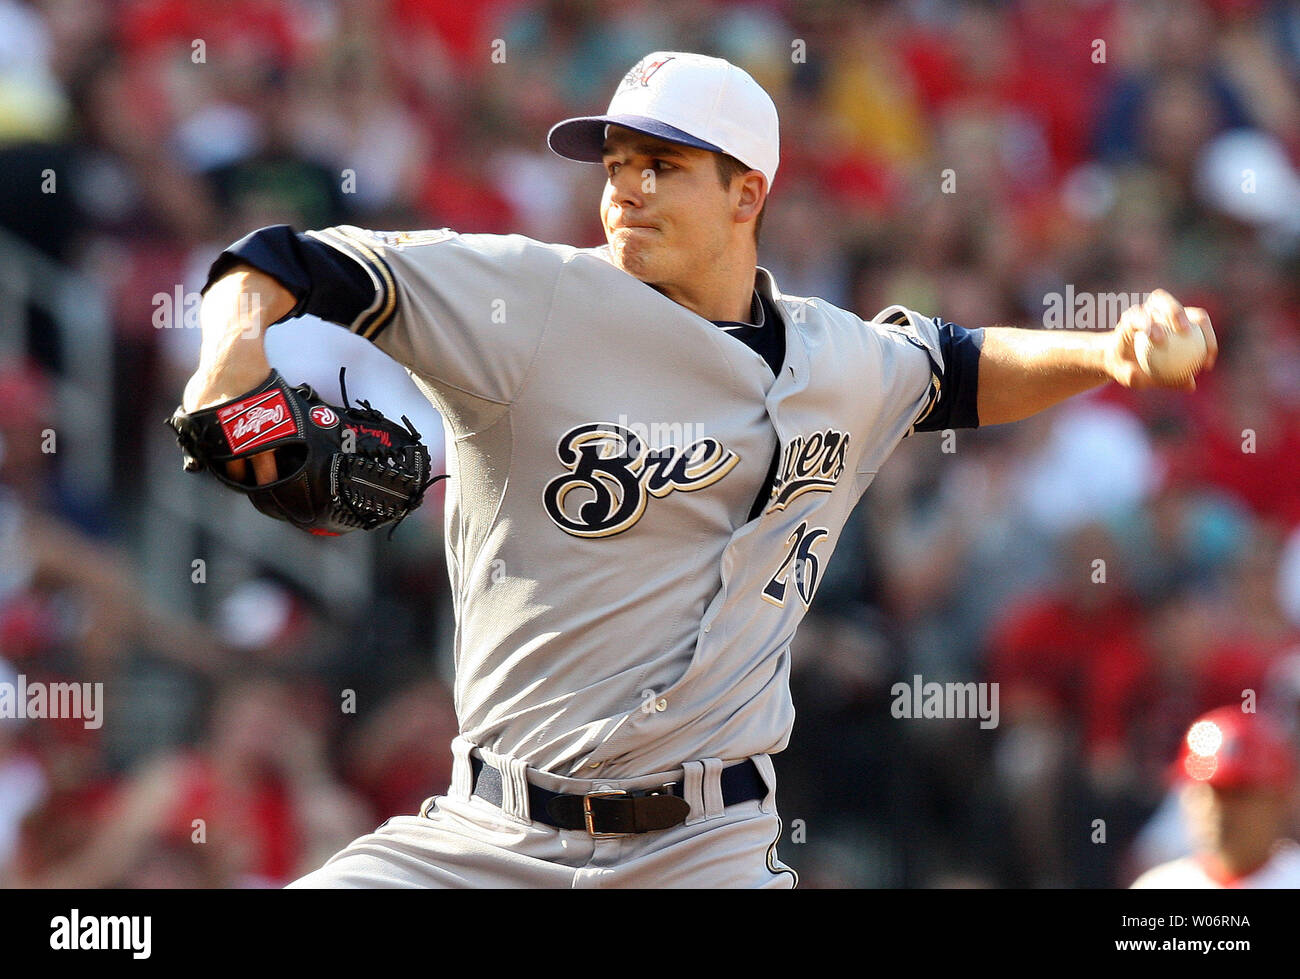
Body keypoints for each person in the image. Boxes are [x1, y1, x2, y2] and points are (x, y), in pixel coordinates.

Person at [181, 51, 1217, 888]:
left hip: (703, 850)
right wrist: (230, 365)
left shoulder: (839, 358)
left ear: (746, 192)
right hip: (485, 839)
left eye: (662, 166)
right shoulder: (527, 301)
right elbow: (277, 259)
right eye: (616, 164)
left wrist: (1109, 350)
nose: (626, 189)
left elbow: (960, 367)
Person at [1130, 706, 1300, 888]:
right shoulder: (1160, 884)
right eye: (1209, 792)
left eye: (1238, 794)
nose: (1219, 809)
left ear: (1278, 801)